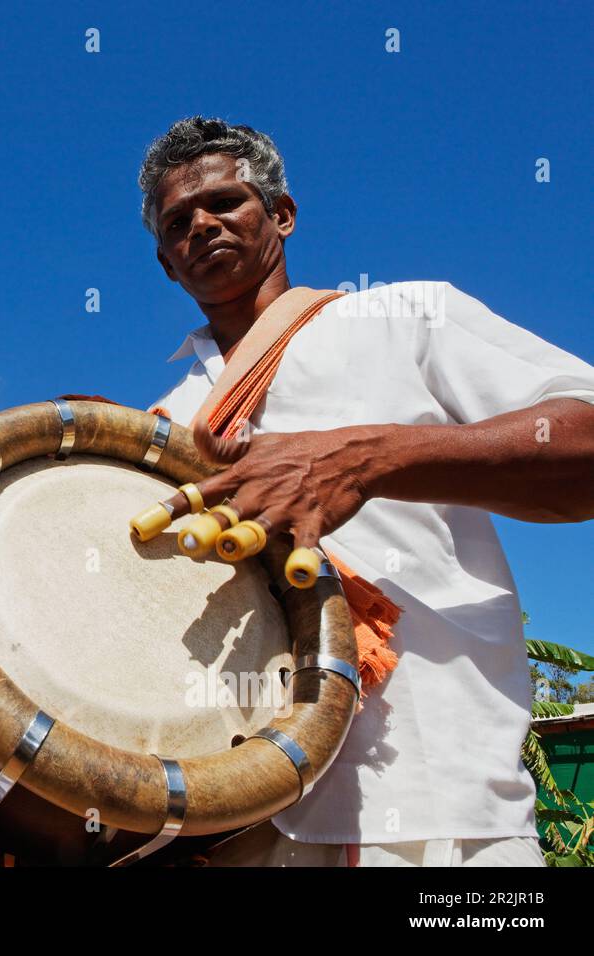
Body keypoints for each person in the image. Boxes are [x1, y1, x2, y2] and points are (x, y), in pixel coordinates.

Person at [137, 116, 594, 866]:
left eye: (225, 202)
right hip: (241, 825)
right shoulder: (160, 422)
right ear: (166, 263)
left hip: (440, 807)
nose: (202, 225)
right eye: (178, 221)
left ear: (281, 213)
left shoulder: (409, 316)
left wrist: (365, 459)